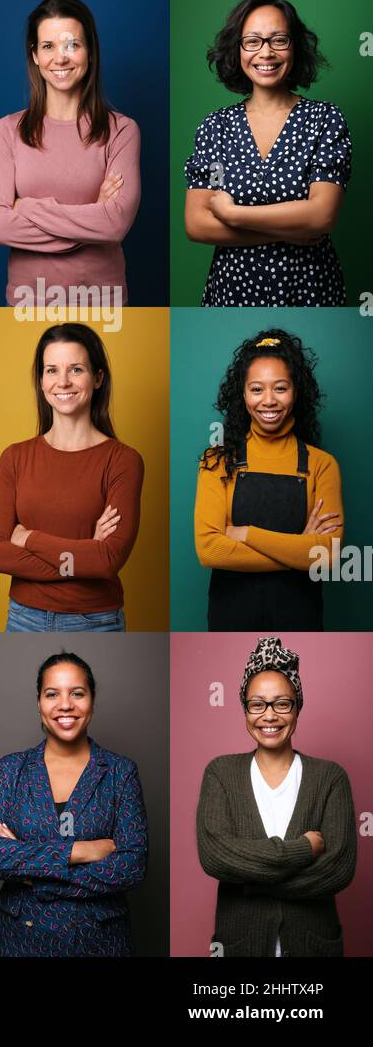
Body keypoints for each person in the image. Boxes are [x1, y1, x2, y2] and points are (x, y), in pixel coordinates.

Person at [0, 651, 147, 957]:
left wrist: (31, 872)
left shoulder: (120, 771)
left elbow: (131, 867)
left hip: (100, 941)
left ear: (92, 700)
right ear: (39, 702)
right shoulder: (12, 768)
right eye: (52, 694)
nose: (65, 704)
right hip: (20, 941)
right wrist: (80, 851)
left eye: (77, 693)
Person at [184, 0, 351, 306]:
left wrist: (233, 214)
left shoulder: (324, 119)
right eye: (253, 41)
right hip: (231, 291)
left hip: (309, 289)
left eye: (279, 40)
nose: (266, 52)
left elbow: (322, 216)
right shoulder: (215, 128)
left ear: (294, 47)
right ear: (238, 49)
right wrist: (285, 232)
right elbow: (197, 223)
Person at [196, 636, 357, 958]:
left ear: (298, 708)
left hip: (315, 947)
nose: (269, 715)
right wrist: (303, 848)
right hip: (240, 946)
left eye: (282, 703)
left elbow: (338, 870)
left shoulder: (330, 777)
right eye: (257, 704)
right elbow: (215, 856)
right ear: (245, 709)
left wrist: (252, 882)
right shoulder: (221, 773)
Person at [0, 322, 144, 631]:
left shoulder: (123, 460)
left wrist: (28, 538)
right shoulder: (14, 457)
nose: (63, 382)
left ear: (98, 378)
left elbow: (107, 560)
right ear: (41, 381)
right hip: (23, 618)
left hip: (95, 621)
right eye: (52, 370)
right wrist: (83, 556)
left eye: (76, 370)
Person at [0, 0, 141, 307]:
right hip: (29, 300)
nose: (61, 57)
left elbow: (115, 224)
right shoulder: (7, 130)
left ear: (90, 52)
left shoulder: (123, 130)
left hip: (102, 300)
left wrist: (25, 207)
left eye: (73, 45)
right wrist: (92, 213)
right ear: (35, 56)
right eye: (48, 46)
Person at [194, 328, 343, 630]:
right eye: (257, 389)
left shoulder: (322, 465)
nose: (269, 401)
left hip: (300, 616)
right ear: (243, 394)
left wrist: (246, 533)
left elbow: (327, 556)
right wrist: (298, 548)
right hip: (230, 617)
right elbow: (209, 550)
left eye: (281, 388)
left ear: (296, 391)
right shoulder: (217, 461)